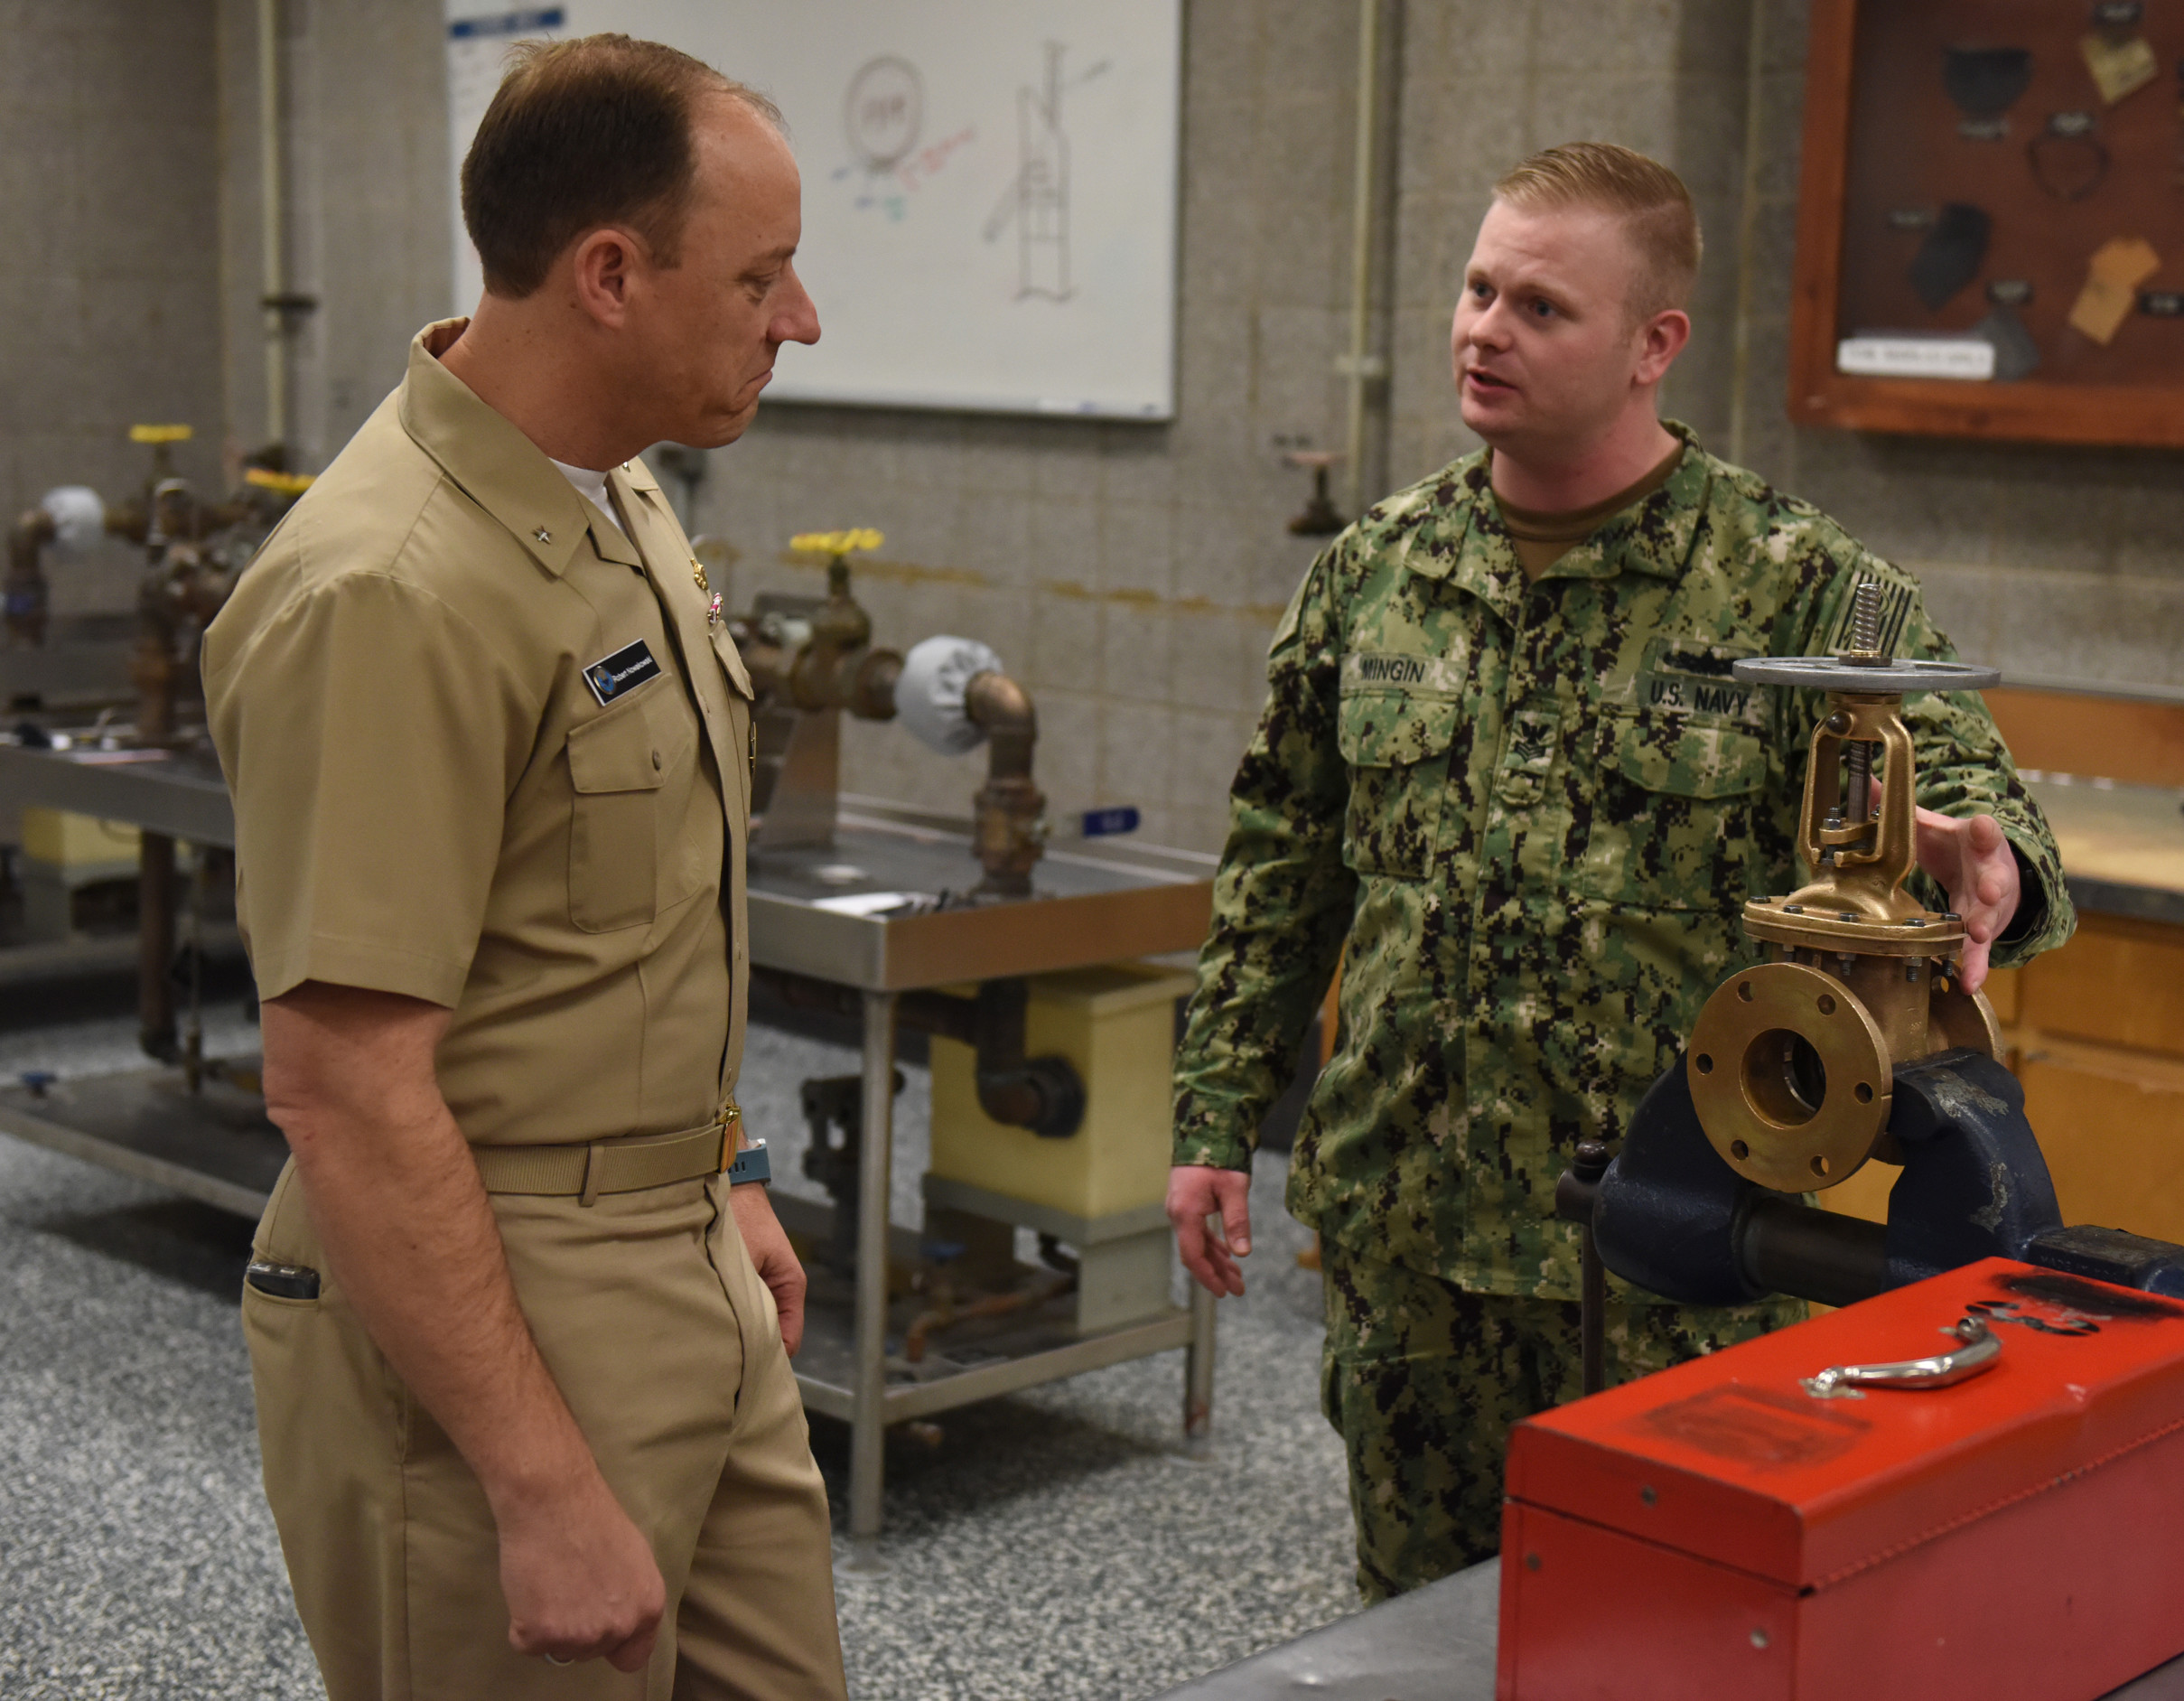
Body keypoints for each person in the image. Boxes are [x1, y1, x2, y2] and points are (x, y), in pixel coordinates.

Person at [1165, 142, 2074, 1603]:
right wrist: (1215, 1120)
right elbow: (1279, 861)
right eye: (1476, 290)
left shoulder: (1796, 584)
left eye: (1540, 307)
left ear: (1654, 347)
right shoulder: (1379, 568)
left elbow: (1979, 816)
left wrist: (1982, 869)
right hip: (1408, 1237)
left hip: (1675, 1248)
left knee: (1663, 1628)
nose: (1482, 331)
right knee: (1413, 1619)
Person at [204, 36, 843, 1700]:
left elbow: (614, 925)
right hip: (499, 1311)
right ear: (610, 275)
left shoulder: (613, 493)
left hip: (684, 1243)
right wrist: (541, 1486)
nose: (801, 320)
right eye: (762, 277)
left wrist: (731, 1158)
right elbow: (343, 1085)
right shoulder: (390, 590)